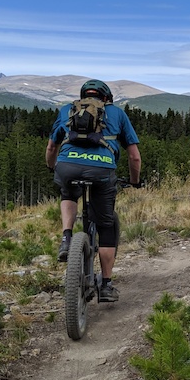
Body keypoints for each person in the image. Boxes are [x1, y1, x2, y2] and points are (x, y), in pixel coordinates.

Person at [45, 79, 142, 302]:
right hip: (102, 171)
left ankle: (67, 237)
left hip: (67, 166)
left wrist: (53, 167)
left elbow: (51, 147)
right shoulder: (117, 113)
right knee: (106, 225)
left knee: (68, 193)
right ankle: (106, 285)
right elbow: (134, 157)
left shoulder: (67, 110)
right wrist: (135, 181)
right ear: (107, 98)